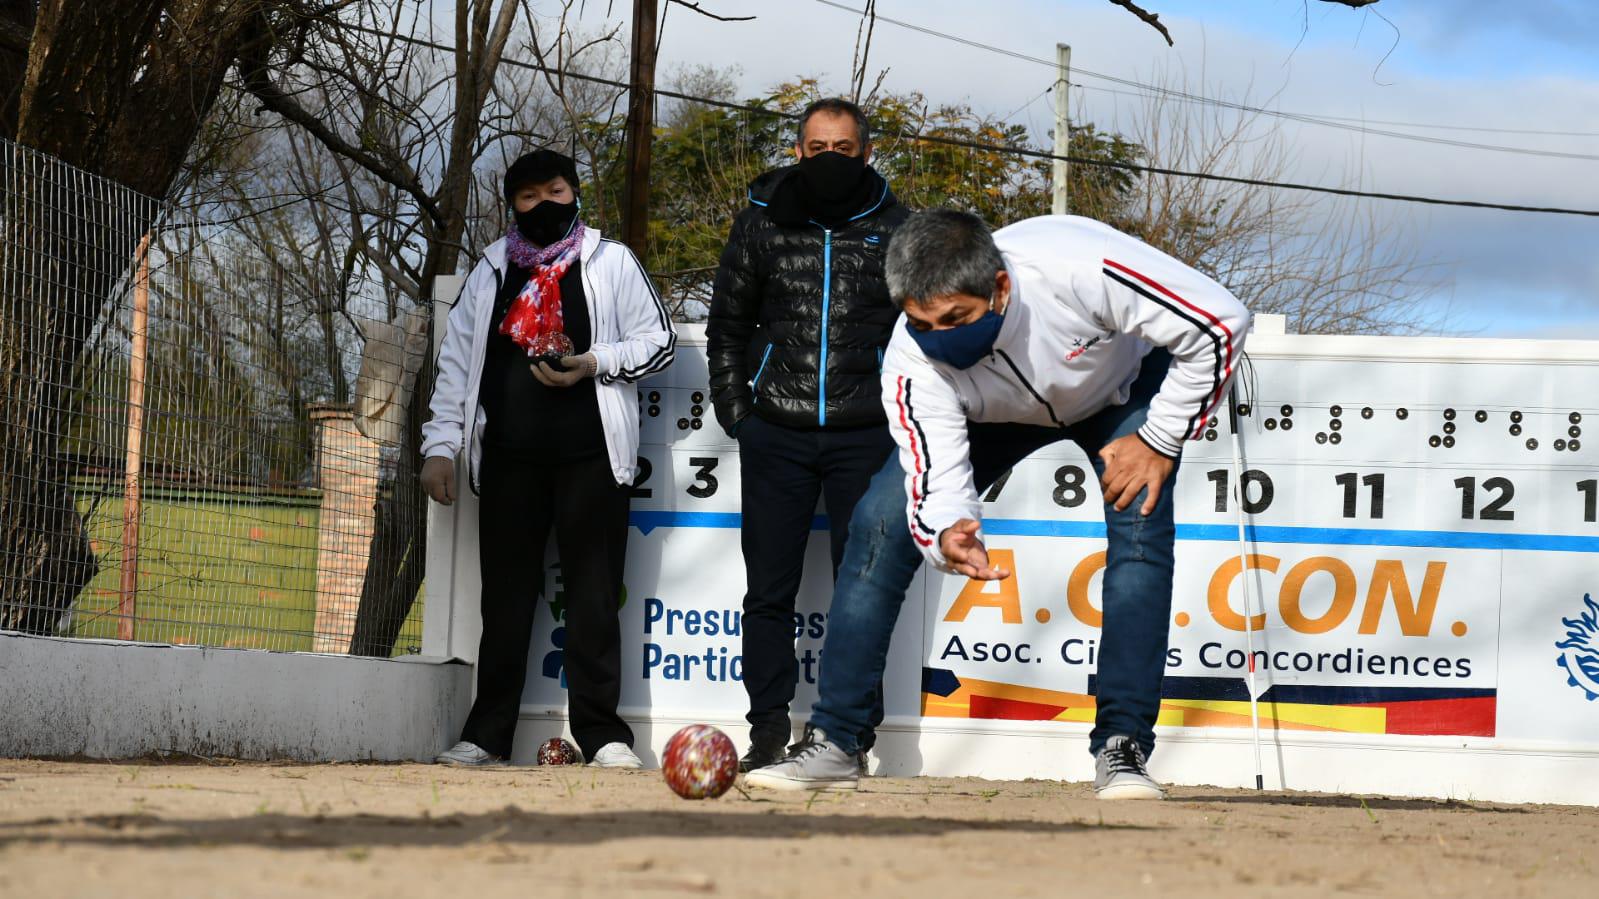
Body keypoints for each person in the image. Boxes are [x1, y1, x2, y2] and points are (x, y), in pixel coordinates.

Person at [745, 209, 1251, 798]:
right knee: (880, 523)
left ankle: (1123, 747)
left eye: (957, 318)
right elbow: (935, 472)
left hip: (1120, 387)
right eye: (923, 322)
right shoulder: (914, 356)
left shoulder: (1078, 268)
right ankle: (836, 740)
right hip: (994, 415)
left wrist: (1159, 440)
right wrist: (948, 530)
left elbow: (1219, 323)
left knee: (1140, 529)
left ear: (1000, 287)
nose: (940, 336)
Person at [420, 149, 676, 768]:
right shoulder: (488, 271)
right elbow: (454, 365)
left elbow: (658, 341)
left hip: (593, 457)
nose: (544, 205)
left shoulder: (611, 261)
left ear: (575, 192)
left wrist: (595, 361)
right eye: (529, 197)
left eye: (556, 191)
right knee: (504, 601)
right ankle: (485, 734)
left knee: (592, 596)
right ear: (512, 204)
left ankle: (604, 735)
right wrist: (440, 446)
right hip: (508, 458)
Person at [708, 97, 910, 772]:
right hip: (776, 433)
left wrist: (900, 418)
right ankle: (766, 731)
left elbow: (922, 332)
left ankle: (850, 736)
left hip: (866, 435)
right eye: (817, 148)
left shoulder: (899, 226)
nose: (830, 159)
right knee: (768, 591)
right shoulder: (759, 223)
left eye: (843, 149)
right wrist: (741, 412)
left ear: (866, 153)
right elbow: (727, 328)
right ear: (798, 152)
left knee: (864, 589)